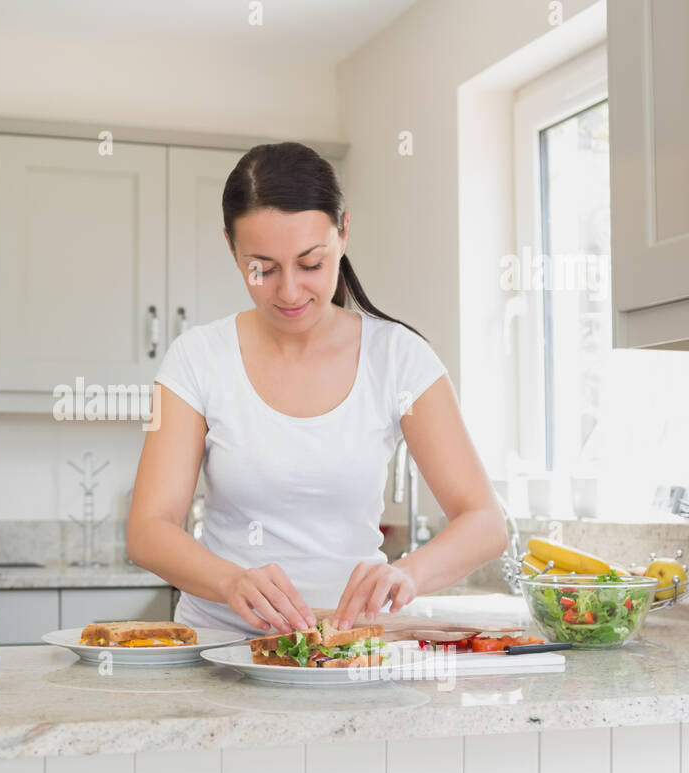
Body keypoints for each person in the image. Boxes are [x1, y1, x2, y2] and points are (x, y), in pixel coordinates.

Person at [127, 143, 507, 637]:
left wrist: (405, 573)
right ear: (230, 247)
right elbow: (148, 528)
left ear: (343, 232)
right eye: (262, 267)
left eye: (310, 264)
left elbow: (484, 521)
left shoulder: (398, 359)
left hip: (348, 646)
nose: (289, 291)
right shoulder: (197, 358)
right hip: (220, 646)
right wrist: (229, 581)